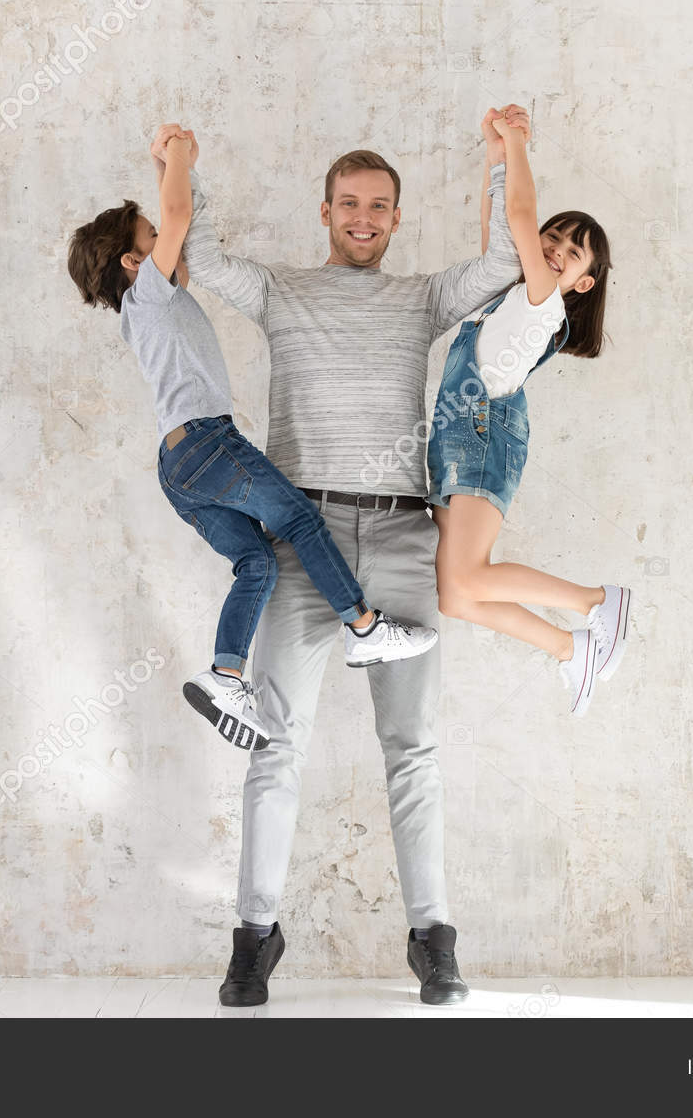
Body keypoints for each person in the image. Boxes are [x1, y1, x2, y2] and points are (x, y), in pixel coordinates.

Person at [176, 105, 533, 1006]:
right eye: (347, 204)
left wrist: (506, 158)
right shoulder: (283, 290)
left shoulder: (419, 298)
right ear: (325, 211)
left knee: (413, 746)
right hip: (305, 539)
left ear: (397, 217)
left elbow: (506, 264)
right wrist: (185, 161)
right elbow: (202, 258)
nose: (363, 218)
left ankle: (433, 935)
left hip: (408, 534)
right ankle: (254, 934)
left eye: (378, 205)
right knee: (274, 742)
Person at [66, 128, 439, 753]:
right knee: (297, 518)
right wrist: (181, 157)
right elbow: (181, 213)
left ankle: (224, 676)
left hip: (178, 466)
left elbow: (175, 218)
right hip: (210, 445)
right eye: (152, 239)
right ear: (135, 263)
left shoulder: (143, 306)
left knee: (256, 562)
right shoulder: (152, 294)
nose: (168, 240)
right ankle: (364, 625)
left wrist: (165, 164)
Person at [427, 114, 630, 716]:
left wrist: (518, 144)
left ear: (583, 282)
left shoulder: (542, 303)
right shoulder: (509, 295)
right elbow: (505, 229)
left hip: (481, 441)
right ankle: (574, 651)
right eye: (553, 238)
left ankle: (598, 601)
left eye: (571, 254)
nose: (554, 250)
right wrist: (495, 156)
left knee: (466, 579)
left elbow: (518, 219)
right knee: (456, 596)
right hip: (456, 443)